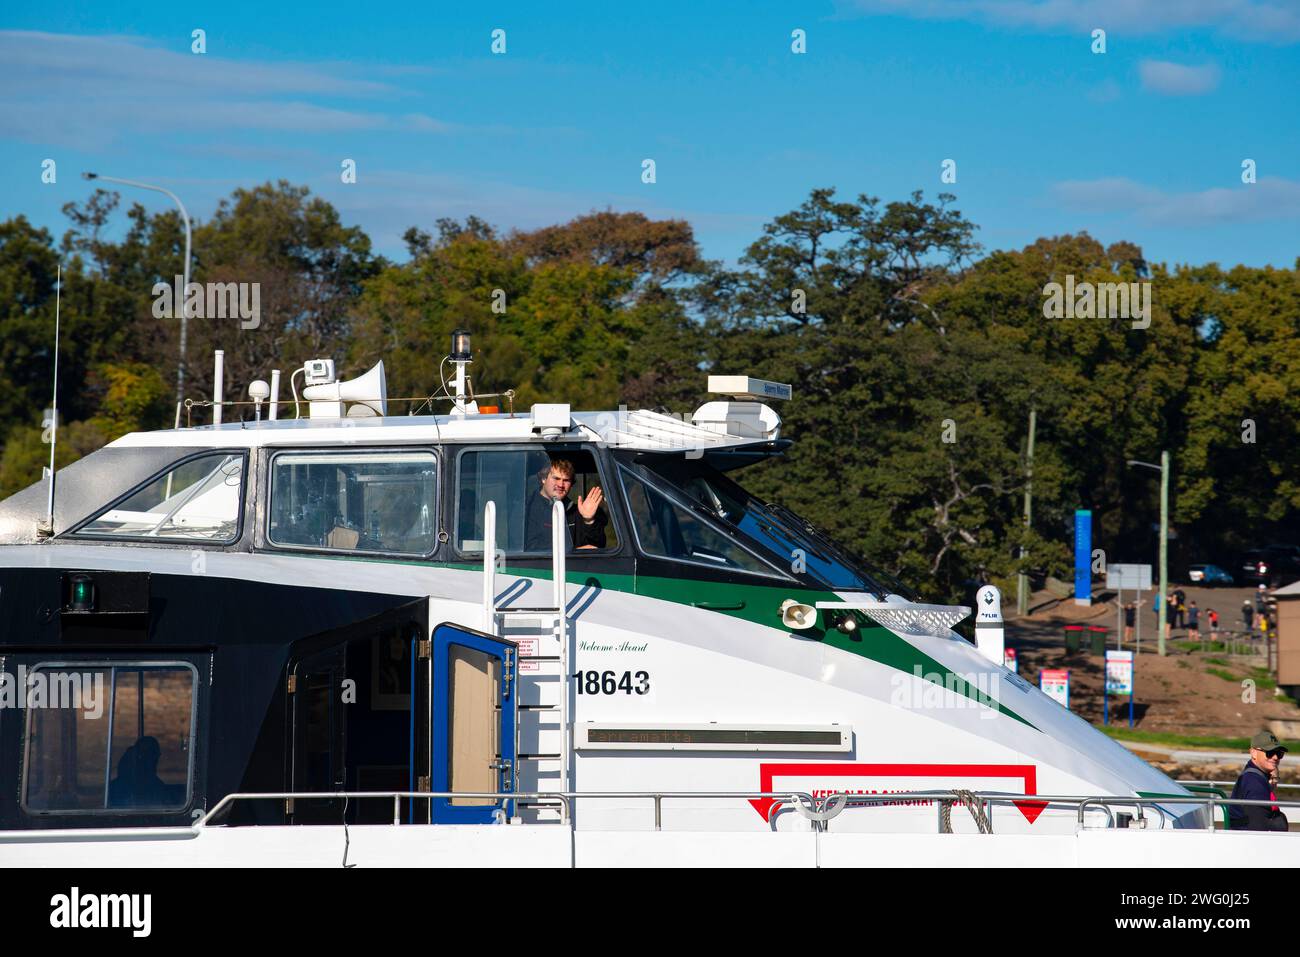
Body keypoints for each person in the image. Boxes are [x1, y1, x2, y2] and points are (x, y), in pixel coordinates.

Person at [524, 456, 607, 551]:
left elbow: (597, 548)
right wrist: (572, 553)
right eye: (556, 478)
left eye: (566, 480)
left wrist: (589, 521)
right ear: (543, 479)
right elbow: (529, 549)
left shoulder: (578, 512)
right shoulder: (526, 509)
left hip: (578, 566)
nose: (560, 485)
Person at [1228, 731, 1289, 831]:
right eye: (1270, 753)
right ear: (1253, 753)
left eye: (1279, 753)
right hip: (1251, 842)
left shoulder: (1255, 777)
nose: (1275, 757)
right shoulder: (1255, 783)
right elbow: (1258, 828)